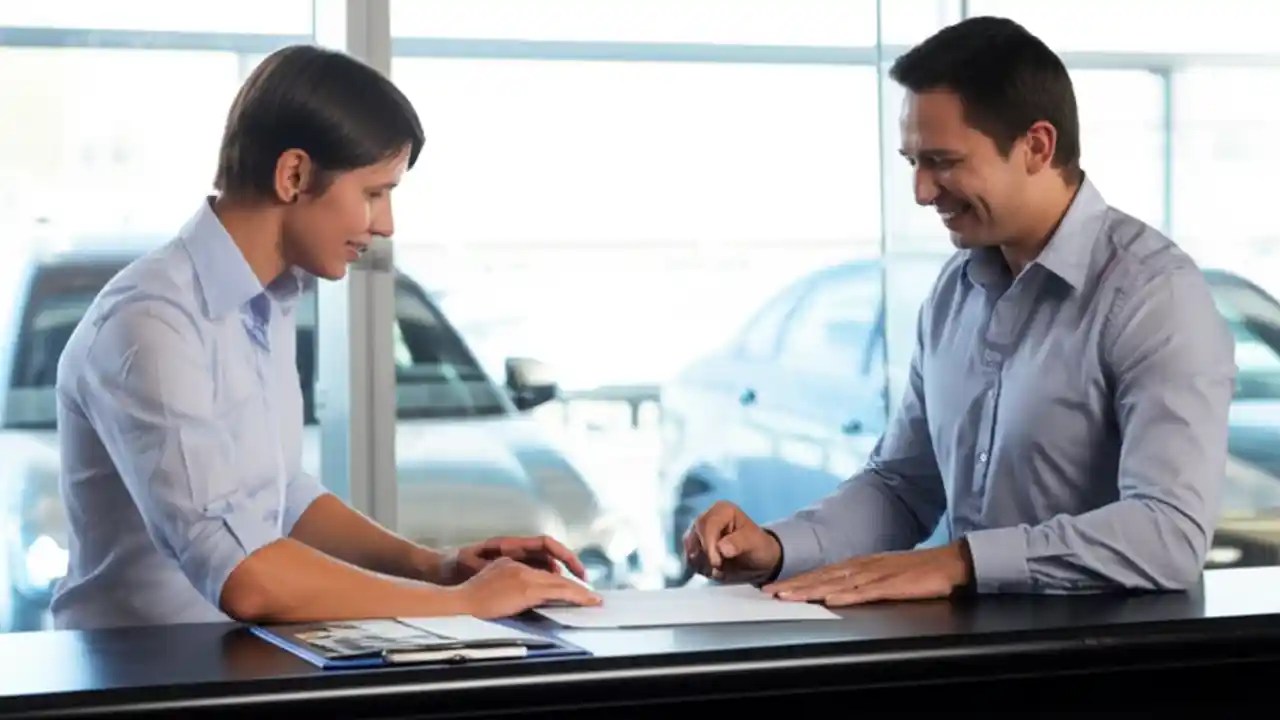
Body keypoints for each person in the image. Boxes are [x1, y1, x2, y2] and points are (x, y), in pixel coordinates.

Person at [685, 16, 1237, 605]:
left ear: (1037, 147)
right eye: (912, 163)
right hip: (974, 664)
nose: (922, 191)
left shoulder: (1153, 294)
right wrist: (776, 546)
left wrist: (963, 561)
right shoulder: (956, 289)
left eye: (944, 162)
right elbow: (902, 485)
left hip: (1111, 677)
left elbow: (1170, 533)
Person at [51, 44, 600, 630]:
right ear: (294, 175)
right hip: (137, 681)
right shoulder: (152, 322)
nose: (385, 224)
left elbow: (279, 497)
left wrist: (436, 567)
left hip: (231, 665)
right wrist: (465, 605)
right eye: (373, 193)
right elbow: (249, 580)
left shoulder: (264, 304)